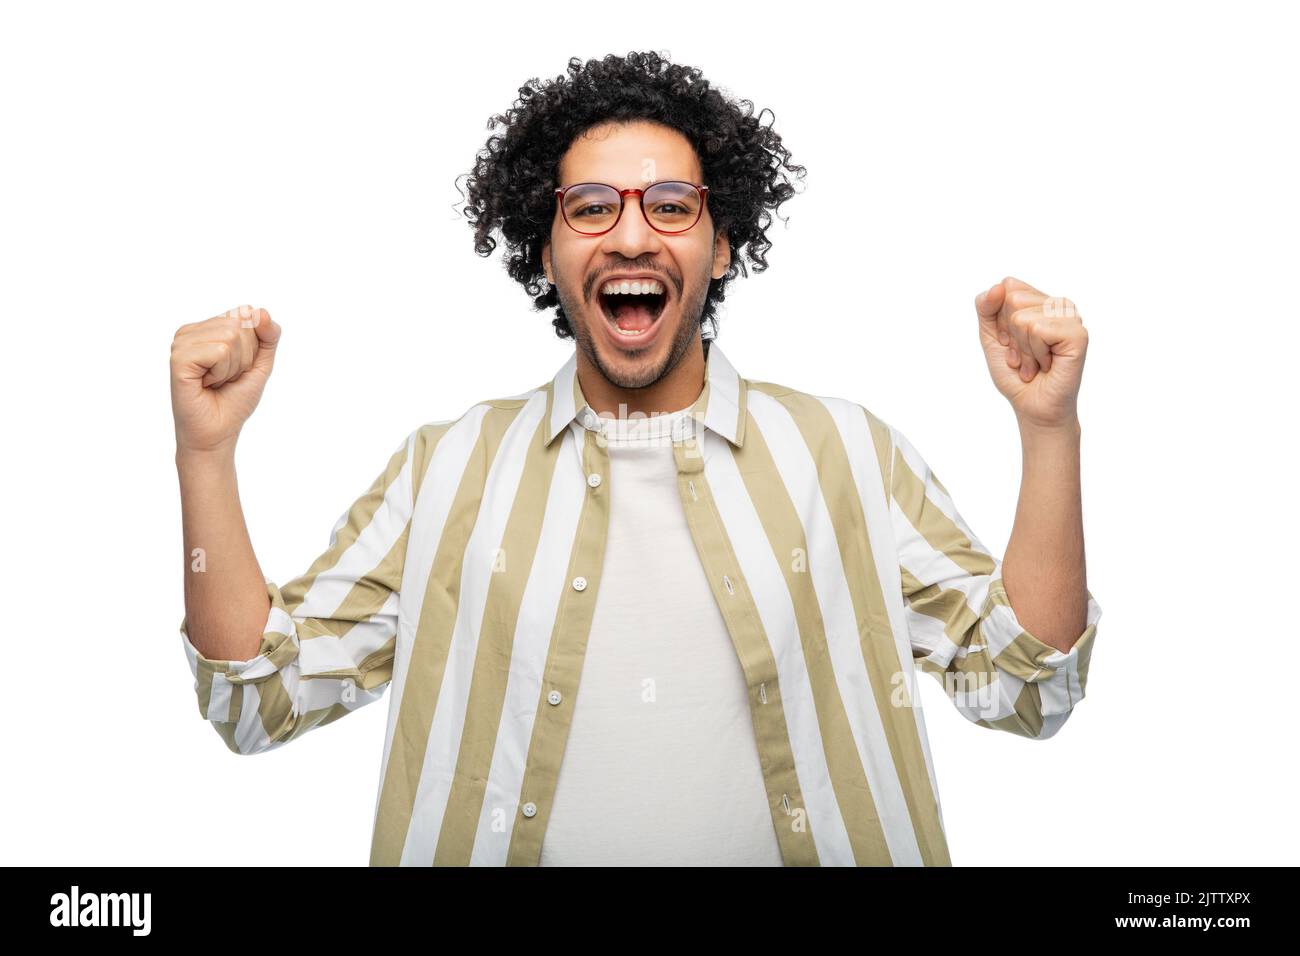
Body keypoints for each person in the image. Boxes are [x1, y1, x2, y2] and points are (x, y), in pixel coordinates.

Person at [169, 51, 1102, 867]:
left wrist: (1047, 430)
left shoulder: (846, 455)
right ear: (543, 247)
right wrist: (205, 454)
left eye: (670, 204)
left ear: (722, 242)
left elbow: (1026, 688)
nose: (628, 234)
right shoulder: (444, 470)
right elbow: (261, 702)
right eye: (588, 207)